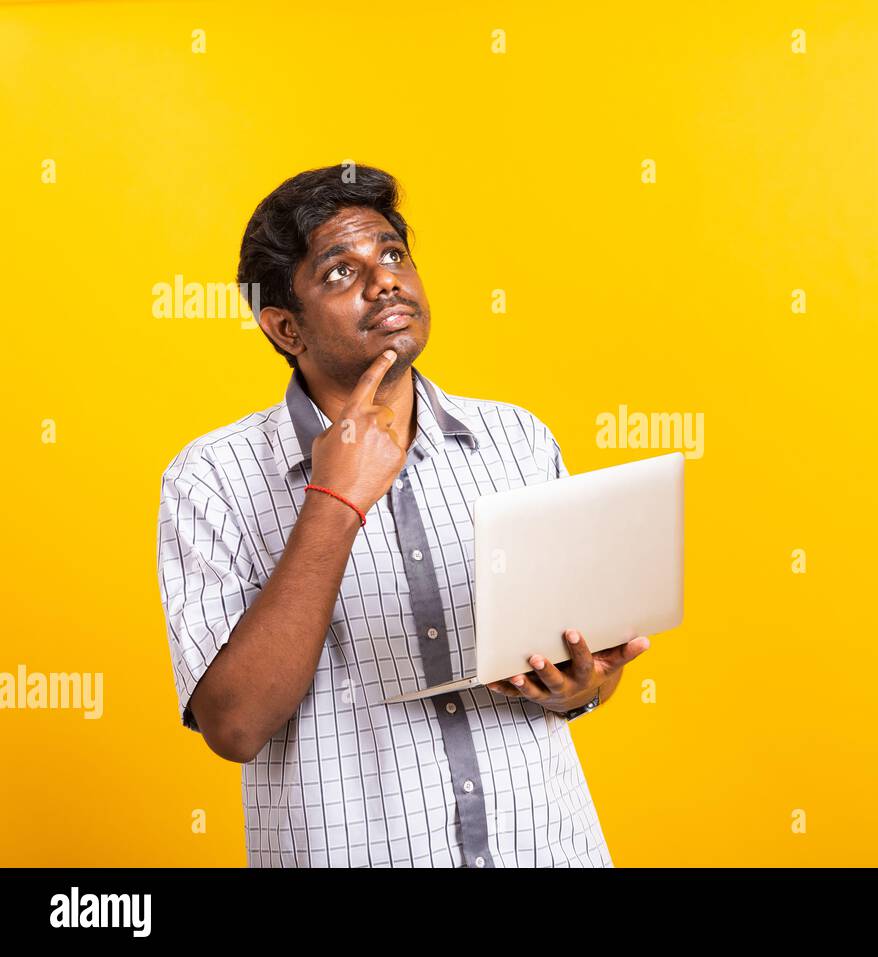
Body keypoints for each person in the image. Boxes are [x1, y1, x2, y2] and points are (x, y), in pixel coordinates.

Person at [155, 164, 649, 867]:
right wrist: (334, 501)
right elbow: (233, 725)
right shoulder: (211, 477)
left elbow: (588, 661)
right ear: (284, 326)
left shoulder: (518, 438)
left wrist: (583, 687)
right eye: (339, 272)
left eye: (392, 254)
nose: (384, 279)